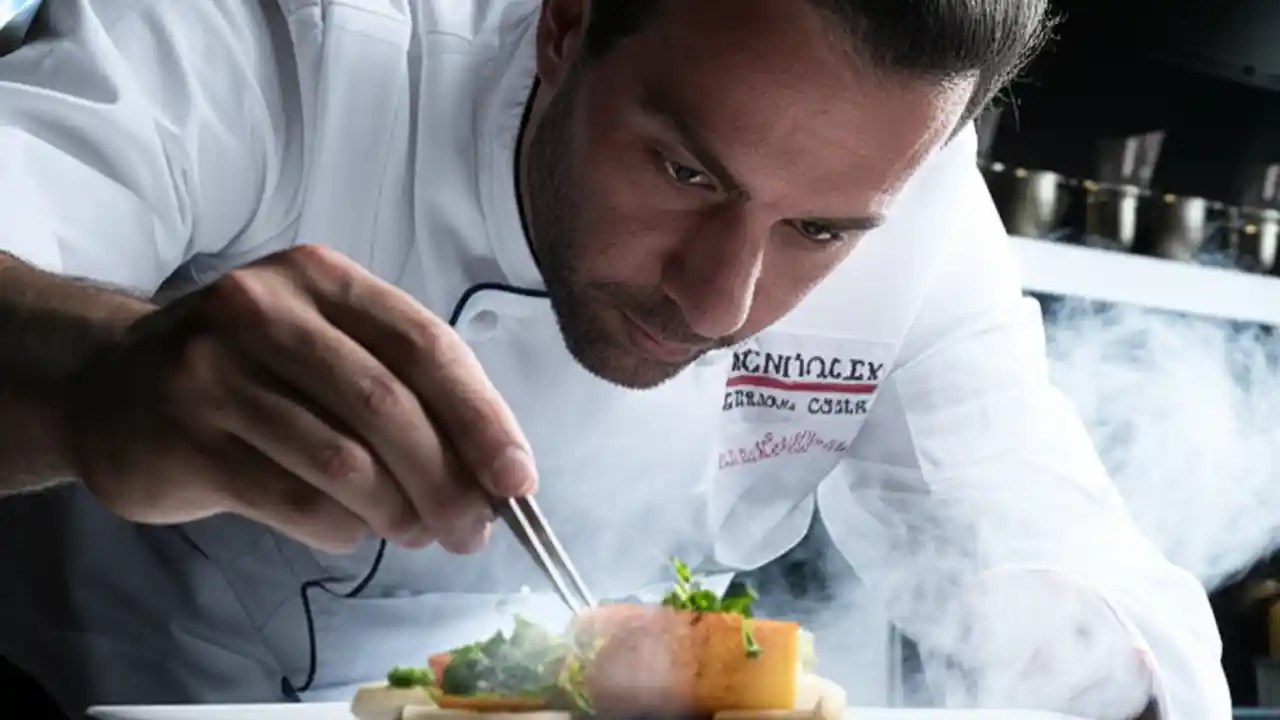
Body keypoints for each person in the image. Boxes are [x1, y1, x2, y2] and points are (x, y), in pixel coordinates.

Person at [0, 0, 1230, 718]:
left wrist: (1082, 658)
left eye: (817, 231)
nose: (720, 299)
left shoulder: (914, 211)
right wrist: (103, 374)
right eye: (685, 172)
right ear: (565, 24)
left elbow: (1069, 557)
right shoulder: (279, 36)